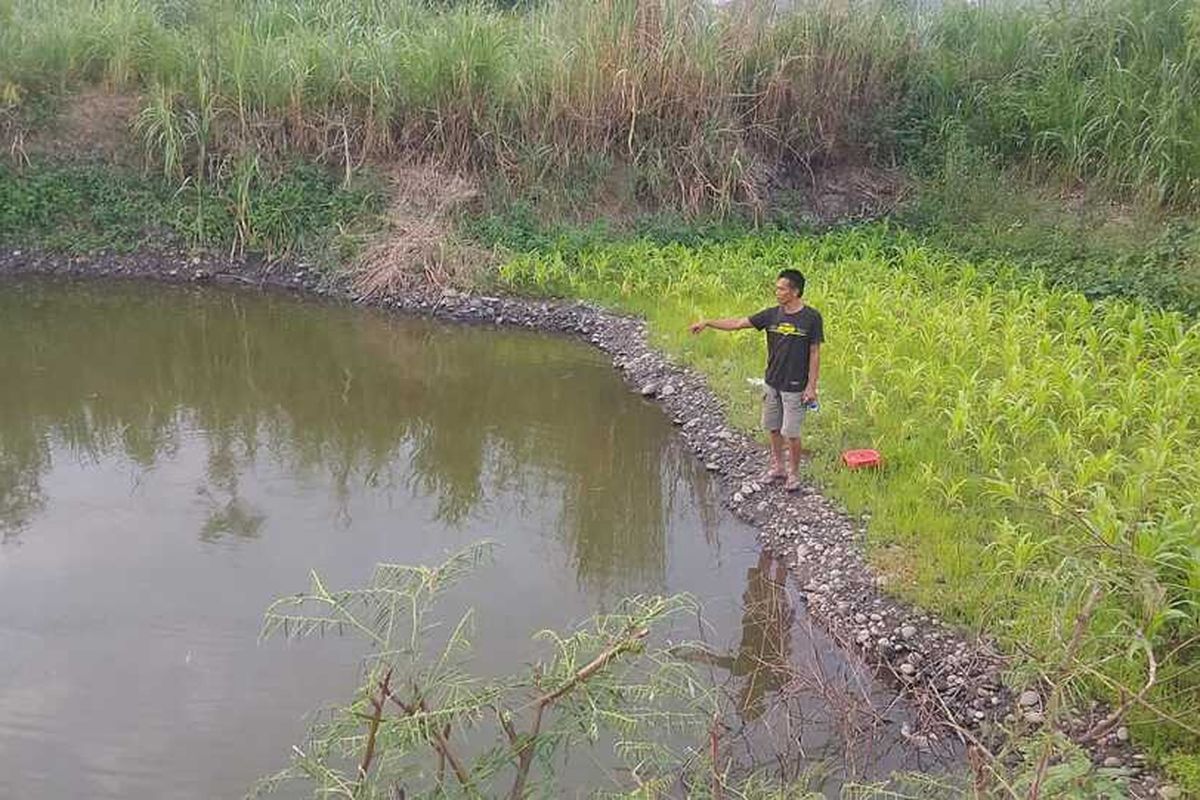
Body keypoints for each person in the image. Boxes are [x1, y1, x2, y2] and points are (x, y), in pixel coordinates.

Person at [688, 268, 823, 492]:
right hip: (772, 382)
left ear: (795, 291)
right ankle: (778, 467)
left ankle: (794, 474)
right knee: (772, 428)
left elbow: (815, 352)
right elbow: (739, 323)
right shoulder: (771, 315)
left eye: (781, 288)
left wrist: (811, 386)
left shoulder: (811, 318)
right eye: (777, 288)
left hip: (796, 386)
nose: (777, 292)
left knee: (791, 432)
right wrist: (708, 322)